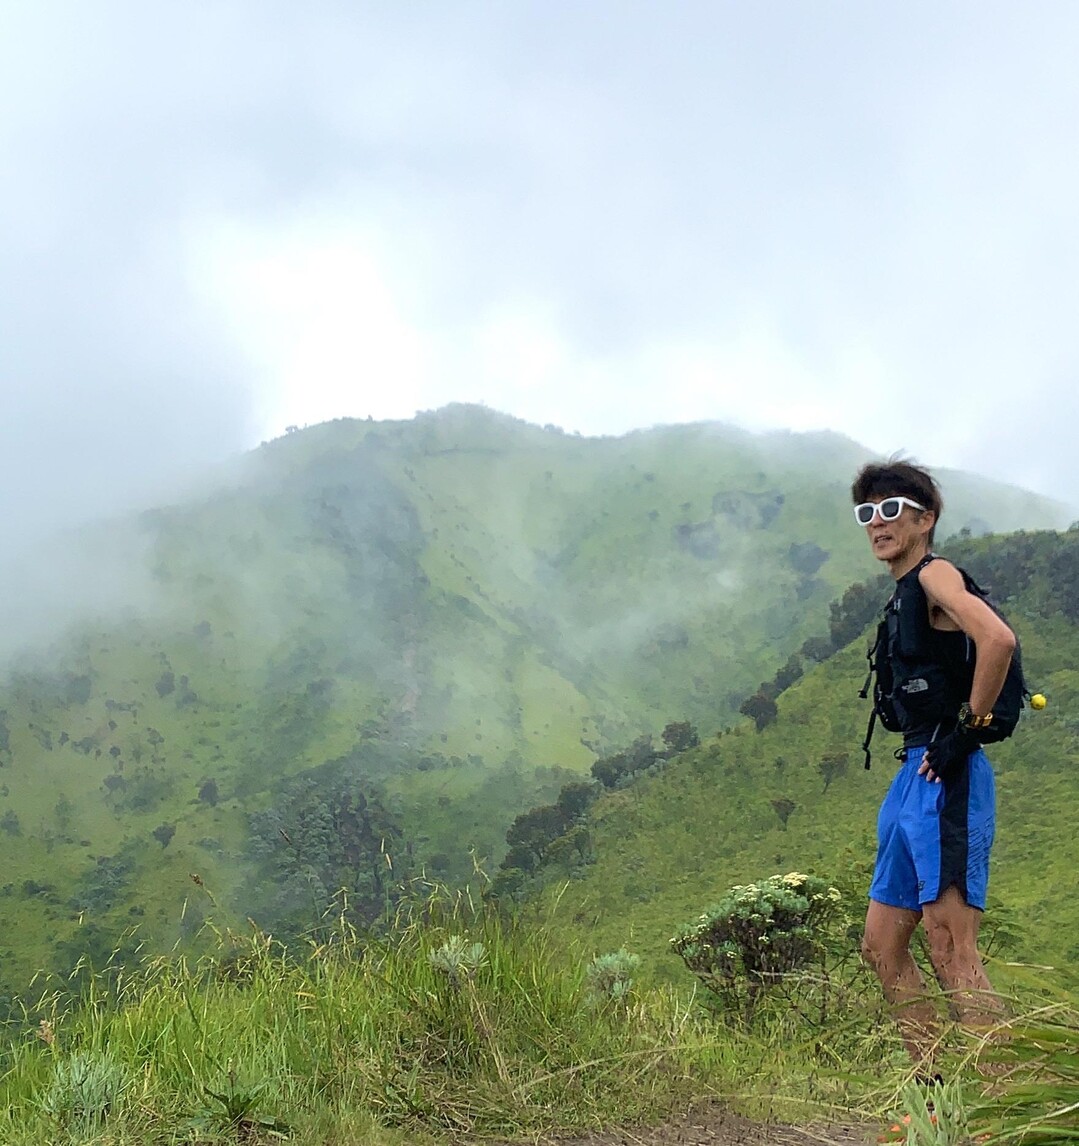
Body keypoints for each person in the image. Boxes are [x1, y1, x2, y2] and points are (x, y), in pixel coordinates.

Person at [851, 459, 1013, 1067]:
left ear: (926, 519)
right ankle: (933, 1098)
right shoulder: (904, 592)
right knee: (880, 946)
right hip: (912, 774)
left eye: (891, 510)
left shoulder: (935, 575)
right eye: (867, 514)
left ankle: (1008, 1112)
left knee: (950, 948)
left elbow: (996, 639)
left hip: (948, 775)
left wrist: (966, 733)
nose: (877, 523)